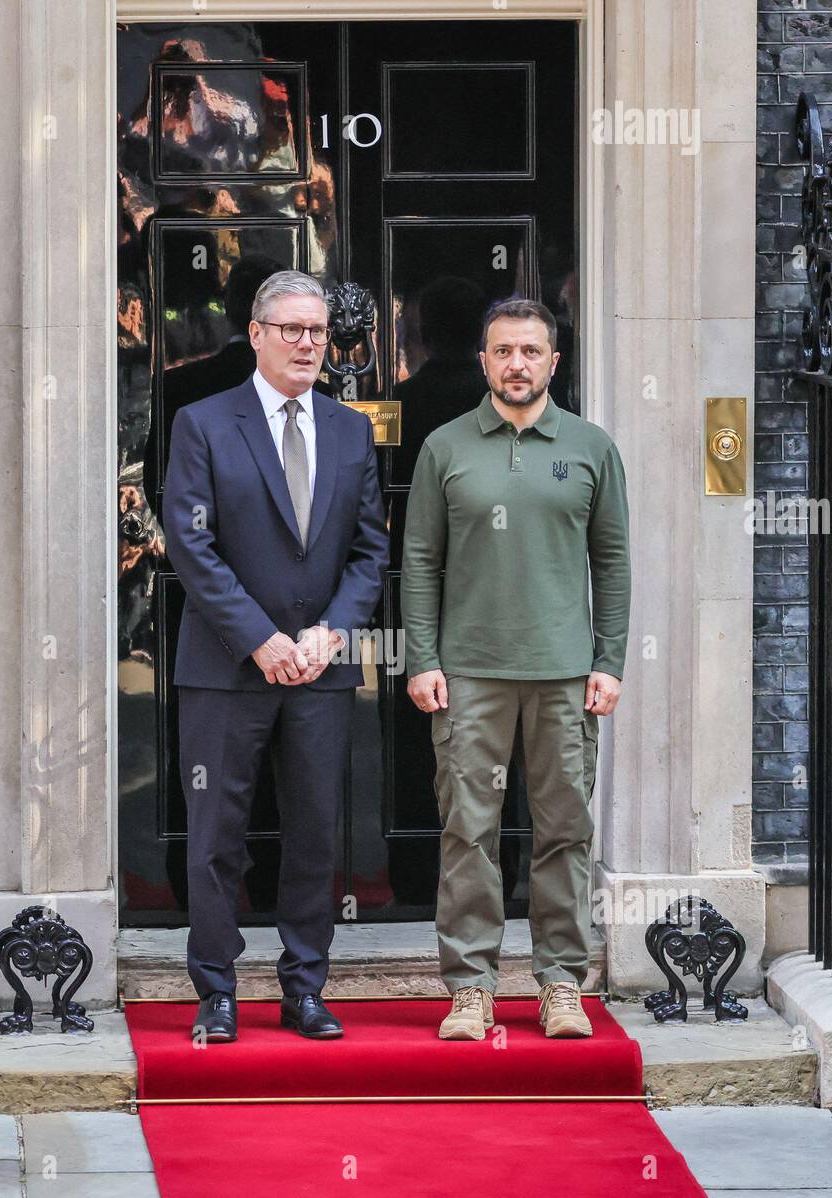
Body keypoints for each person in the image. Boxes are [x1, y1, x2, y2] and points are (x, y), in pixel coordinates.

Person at [162, 270, 390, 1043]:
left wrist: (332, 631)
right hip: (228, 668)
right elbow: (190, 545)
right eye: (290, 329)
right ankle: (217, 992)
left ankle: (305, 989)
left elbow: (369, 551)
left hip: (323, 670)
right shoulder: (203, 423)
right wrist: (260, 638)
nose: (305, 343)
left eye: (317, 331)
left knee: (315, 833)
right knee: (217, 834)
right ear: (256, 334)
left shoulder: (351, 429)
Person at [400, 297, 632, 1041]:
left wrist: (610, 660)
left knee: (564, 830)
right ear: (484, 359)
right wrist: (422, 659)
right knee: (468, 832)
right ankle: (471, 986)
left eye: (531, 351)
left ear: (553, 361)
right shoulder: (445, 446)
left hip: (566, 675)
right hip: (469, 674)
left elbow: (614, 561)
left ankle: (561, 981)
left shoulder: (592, 448)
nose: (517, 364)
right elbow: (421, 559)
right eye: (503, 351)